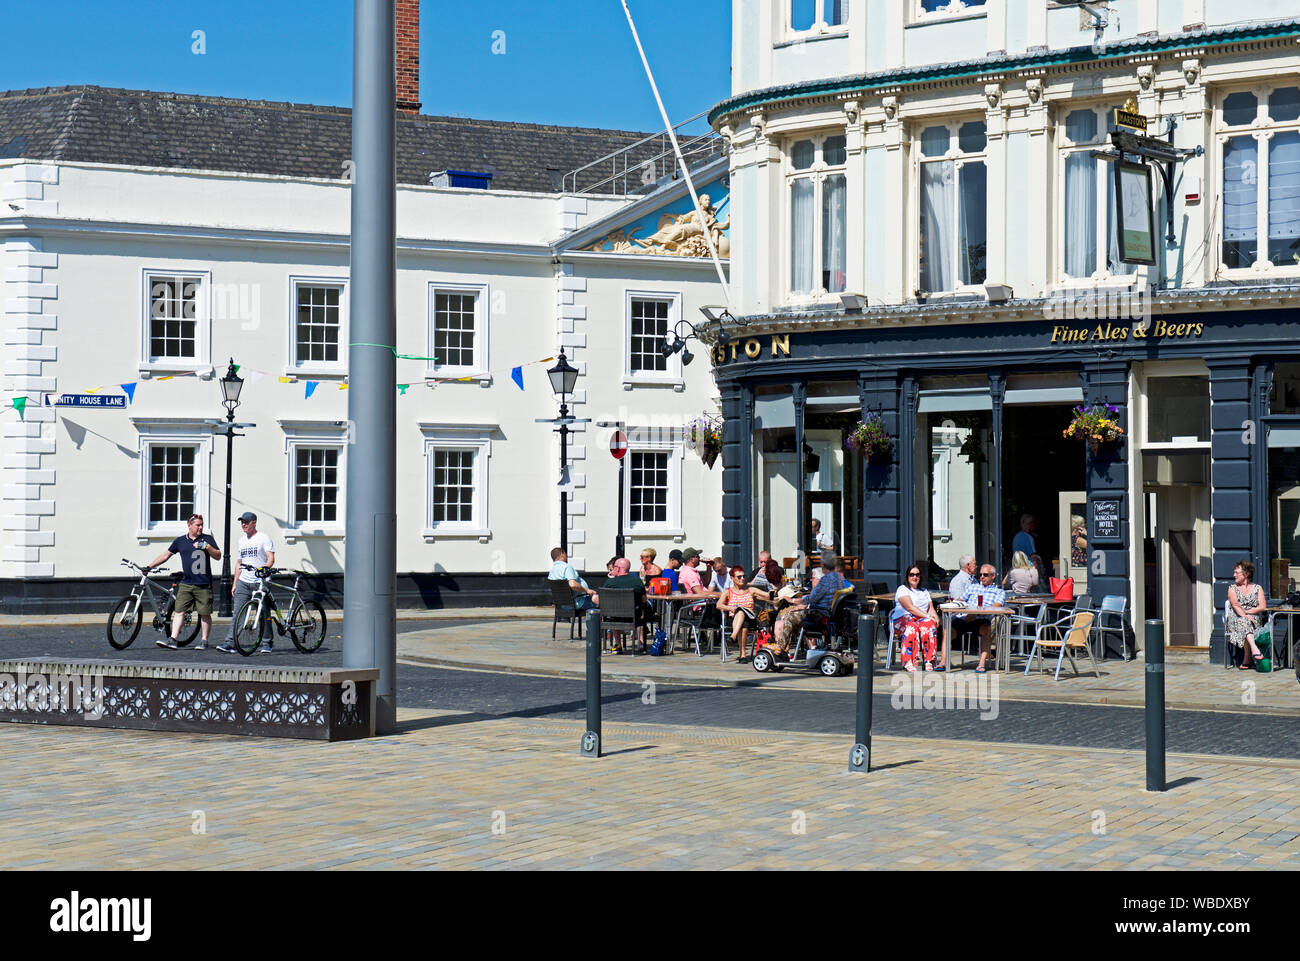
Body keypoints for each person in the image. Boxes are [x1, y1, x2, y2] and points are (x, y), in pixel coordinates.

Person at [148, 513, 221, 650]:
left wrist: (207, 547)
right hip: (186, 583)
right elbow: (166, 555)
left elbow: (218, 556)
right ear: (189, 525)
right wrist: (150, 566)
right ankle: (173, 639)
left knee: (204, 613)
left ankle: (204, 641)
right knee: (179, 611)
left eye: (201, 525)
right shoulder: (180, 541)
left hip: (203, 584)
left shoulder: (207, 539)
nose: (200, 528)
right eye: (197, 525)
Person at [217, 512, 276, 655]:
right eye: (242, 522)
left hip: (260, 581)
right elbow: (239, 563)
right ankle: (230, 643)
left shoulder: (263, 538)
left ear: (254, 523)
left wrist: (266, 568)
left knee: (263, 612)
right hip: (244, 581)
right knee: (238, 613)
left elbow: (271, 558)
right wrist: (235, 583)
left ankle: (267, 642)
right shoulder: (242, 540)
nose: (243, 524)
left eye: (246, 522)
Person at [778, 555, 846, 651]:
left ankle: (780, 648)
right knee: (794, 617)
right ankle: (811, 648)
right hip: (823, 615)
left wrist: (792, 601)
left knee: (790, 617)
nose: (811, 580)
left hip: (819, 617)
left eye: (813, 578)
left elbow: (809, 601)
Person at [717, 566, 771, 664]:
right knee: (741, 614)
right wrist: (731, 608)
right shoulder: (728, 592)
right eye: (739, 577)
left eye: (743, 576)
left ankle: (734, 637)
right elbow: (719, 605)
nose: (742, 579)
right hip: (733, 619)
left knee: (742, 614)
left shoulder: (751, 590)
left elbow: (767, 595)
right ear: (732, 578)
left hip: (751, 619)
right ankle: (742, 654)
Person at [891, 563, 938, 672]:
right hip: (903, 619)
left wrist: (935, 618)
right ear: (907, 576)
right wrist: (928, 616)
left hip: (920, 619)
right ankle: (908, 661)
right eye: (912, 574)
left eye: (917, 575)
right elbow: (910, 608)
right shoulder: (902, 589)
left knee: (930, 626)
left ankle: (929, 661)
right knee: (911, 627)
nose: (914, 577)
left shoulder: (924, 591)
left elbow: (931, 608)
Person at [962, 565, 1007, 674]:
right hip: (966, 617)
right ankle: (943, 662)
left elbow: (996, 607)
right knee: (948, 630)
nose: (982, 577)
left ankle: (981, 663)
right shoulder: (973, 587)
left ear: (993, 576)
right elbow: (960, 600)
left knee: (986, 629)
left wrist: (978, 610)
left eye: (985, 575)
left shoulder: (999, 592)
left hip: (982, 618)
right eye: (980, 574)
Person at [1226, 559, 1269, 669]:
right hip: (1235, 618)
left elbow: (1262, 606)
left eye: (1237, 572)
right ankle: (1254, 649)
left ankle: (1247, 658)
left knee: (1246, 622)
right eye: (1234, 572)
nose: (1233, 575)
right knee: (1244, 621)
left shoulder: (1258, 588)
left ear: (1246, 574)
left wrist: (1247, 612)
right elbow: (1235, 605)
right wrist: (1244, 615)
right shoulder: (1232, 588)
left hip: (1253, 618)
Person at [602, 557, 650, 652]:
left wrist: (612, 578)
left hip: (614, 618)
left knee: (612, 611)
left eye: (615, 567)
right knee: (641, 610)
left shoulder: (609, 582)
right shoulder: (637, 581)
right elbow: (644, 600)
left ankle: (618, 644)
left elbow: (602, 601)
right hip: (633, 617)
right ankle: (640, 642)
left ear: (618, 569)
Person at [549, 547, 597, 612]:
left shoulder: (552, 571)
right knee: (600, 601)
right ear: (562, 554)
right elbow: (573, 585)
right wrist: (587, 590)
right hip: (576, 603)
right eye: (566, 554)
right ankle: (598, 622)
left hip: (561, 605)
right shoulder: (566, 567)